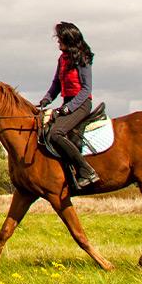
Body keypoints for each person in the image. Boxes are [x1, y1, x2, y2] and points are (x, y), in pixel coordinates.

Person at [37, 21, 98, 187]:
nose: (57, 41)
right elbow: (56, 84)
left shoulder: (83, 57)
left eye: (59, 38)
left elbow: (86, 89)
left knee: (55, 134)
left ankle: (86, 170)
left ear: (68, 39)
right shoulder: (62, 59)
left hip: (82, 104)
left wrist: (67, 108)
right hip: (67, 103)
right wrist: (46, 99)